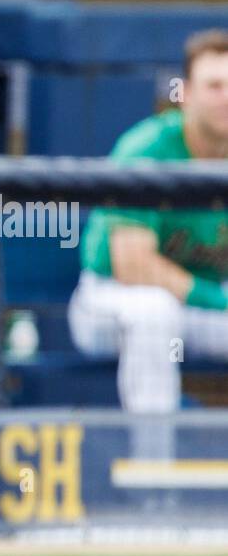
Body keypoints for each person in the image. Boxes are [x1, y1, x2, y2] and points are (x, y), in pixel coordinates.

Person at [69, 28, 228, 458]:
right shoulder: (147, 146)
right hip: (109, 304)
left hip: (200, 308)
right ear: (186, 94)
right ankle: (153, 477)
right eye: (214, 86)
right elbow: (132, 265)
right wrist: (218, 300)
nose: (225, 97)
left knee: (167, 313)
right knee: (155, 312)